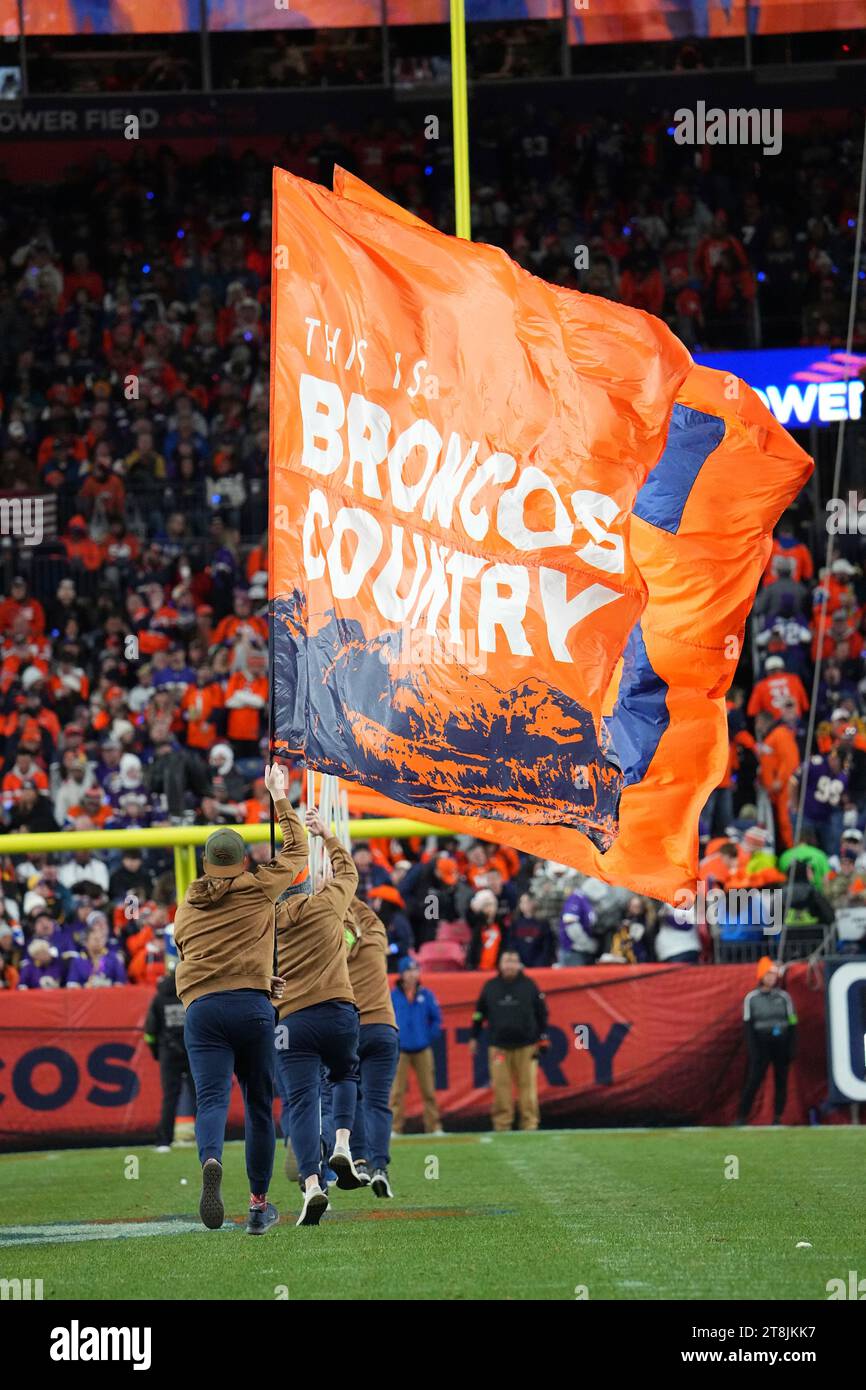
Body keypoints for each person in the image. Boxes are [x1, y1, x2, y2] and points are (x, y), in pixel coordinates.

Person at [174, 763, 306, 1236]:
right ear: (241, 862)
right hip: (251, 1007)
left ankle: (211, 1159)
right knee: (257, 1105)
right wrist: (278, 796)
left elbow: (187, 950)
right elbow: (297, 850)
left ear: (207, 864)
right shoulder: (258, 888)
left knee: (210, 1099)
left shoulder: (186, 905)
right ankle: (257, 1204)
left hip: (204, 1010)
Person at [274, 807, 362, 1228]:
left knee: (302, 1104)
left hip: (292, 1021)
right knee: (345, 1075)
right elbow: (349, 872)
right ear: (309, 887)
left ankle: (311, 1184)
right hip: (339, 1009)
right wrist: (326, 834)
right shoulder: (329, 904)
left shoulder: (267, 922)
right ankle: (343, 1141)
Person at [345, 895, 400, 1198]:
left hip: (349, 1028)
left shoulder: (333, 950)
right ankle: (380, 1166)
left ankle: (361, 1160)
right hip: (381, 1026)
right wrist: (348, 893)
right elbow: (371, 920)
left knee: (350, 1096)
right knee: (378, 1103)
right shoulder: (376, 940)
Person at [469, 950, 548, 1132]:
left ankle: (529, 1124)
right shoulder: (490, 986)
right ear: (500, 964)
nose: (510, 965)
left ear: (519, 964)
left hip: (526, 1046)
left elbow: (541, 1013)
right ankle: (502, 1125)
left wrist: (542, 1037)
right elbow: (479, 1013)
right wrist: (474, 1036)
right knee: (501, 1089)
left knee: (528, 1089)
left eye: (514, 961)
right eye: (507, 961)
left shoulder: (529, 986)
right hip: (499, 1047)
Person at [737, 958, 798, 1125]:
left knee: (781, 1080)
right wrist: (753, 1049)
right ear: (761, 976)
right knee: (754, 1080)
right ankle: (742, 1116)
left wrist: (792, 1046)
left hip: (781, 1042)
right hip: (761, 1043)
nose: (771, 978)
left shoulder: (784, 997)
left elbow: (792, 1021)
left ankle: (778, 1117)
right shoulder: (752, 998)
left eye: (773, 975)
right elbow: (748, 1025)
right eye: (768, 974)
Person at [390, 960, 443, 1135]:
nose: (413, 974)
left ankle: (434, 1127)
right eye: (409, 970)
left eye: (415, 970)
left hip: (422, 1048)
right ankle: (395, 1128)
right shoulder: (392, 995)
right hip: (400, 1049)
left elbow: (436, 1019)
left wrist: (427, 1037)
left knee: (429, 1091)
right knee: (396, 1092)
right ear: (402, 974)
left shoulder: (426, 995)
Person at [144, 968, 194, 1152]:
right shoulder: (189, 995)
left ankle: (164, 1141)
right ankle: (207, 1139)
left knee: (169, 1098)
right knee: (201, 1098)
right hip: (192, 1051)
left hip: (168, 1053)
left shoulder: (159, 998)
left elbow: (150, 1031)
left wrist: (158, 1053)